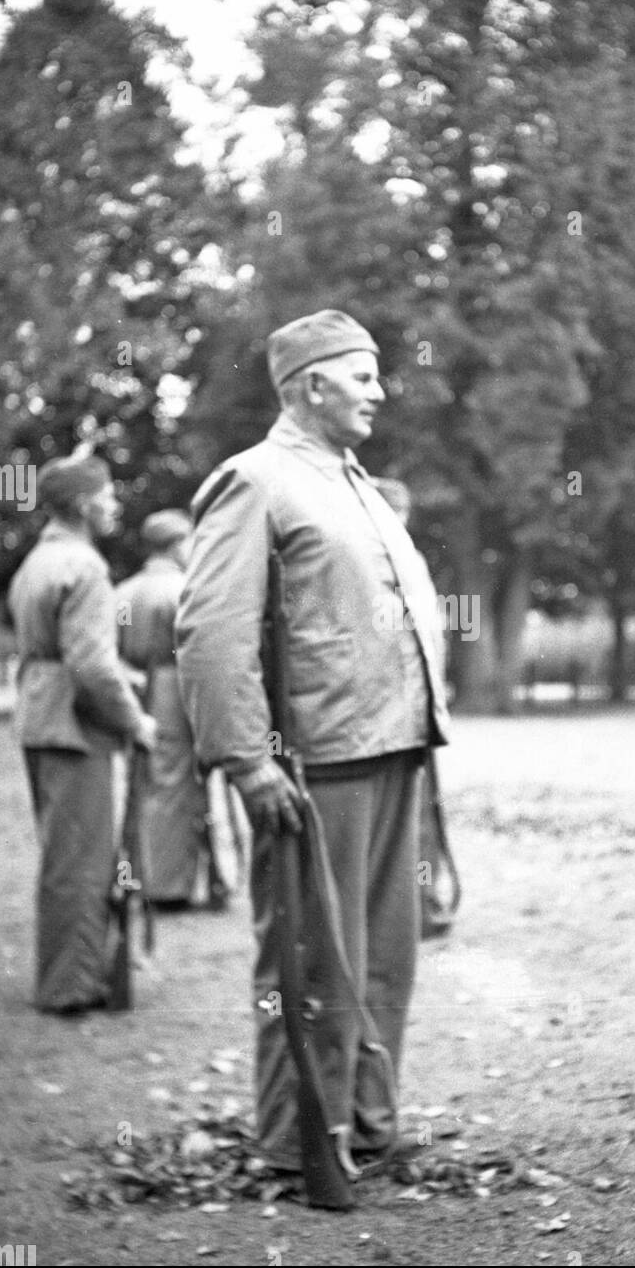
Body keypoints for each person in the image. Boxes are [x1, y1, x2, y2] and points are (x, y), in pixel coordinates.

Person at [176, 309, 451, 1172]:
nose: (380, 391)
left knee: (382, 962)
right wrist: (247, 761)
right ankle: (301, 1141)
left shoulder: (356, 483)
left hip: (392, 747)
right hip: (317, 762)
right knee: (310, 958)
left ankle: (364, 1124)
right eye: (363, 376)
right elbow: (212, 634)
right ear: (311, 386)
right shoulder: (253, 481)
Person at [9, 451, 156, 1014]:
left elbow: (61, 649)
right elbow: (90, 665)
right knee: (83, 859)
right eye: (108, 493)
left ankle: (69, 975)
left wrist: (123, 675)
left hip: (42, 716)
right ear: (83, 504)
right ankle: (70, 986)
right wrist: (135, 720)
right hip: (75, 725)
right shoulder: (87, 567)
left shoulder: (37, 561)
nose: (115, 502)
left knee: (64, 852)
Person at [116, 510, 235, 909]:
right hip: (177, 688)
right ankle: (168, 887)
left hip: (137, 688)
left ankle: (145, 876)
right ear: (176, 544)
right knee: (177, 787)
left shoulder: (124, 591)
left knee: (148, 783)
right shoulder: (185, 587)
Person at [370, 477, 463, 940]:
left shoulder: (380, 558)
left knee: (403, 814)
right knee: (413, 814)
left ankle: (414, 906)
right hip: (406, 704)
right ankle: (417, 907)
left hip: (392, 704)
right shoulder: (405, 559)